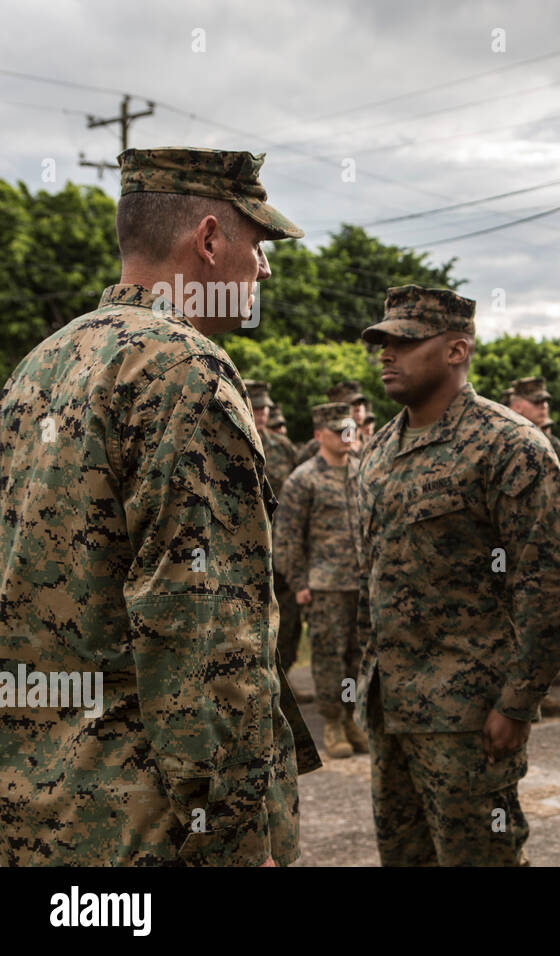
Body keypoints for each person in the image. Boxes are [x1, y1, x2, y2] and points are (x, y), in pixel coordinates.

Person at [0, 146, 318, 865]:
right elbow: (204, 633)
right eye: (259, 242)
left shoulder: (40, 364)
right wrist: (236, 833)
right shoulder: (184, 371)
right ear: (209, 240)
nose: (265, 269)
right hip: (146, 828)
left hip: (35, 816)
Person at [355, 285, 560, 865]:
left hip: (468, 716)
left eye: (404, 343)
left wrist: (517, 702)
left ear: (457, 350)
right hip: (393, 707)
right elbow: (375, 579)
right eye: (381, 343)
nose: (386, 355)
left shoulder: (510, 447)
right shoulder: (380, 450)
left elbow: (553, 589)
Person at [275, 402, 367, 760]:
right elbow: (286, 539)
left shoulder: (362, 473)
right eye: (336, 431)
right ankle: (331, 722)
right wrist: (299, 583)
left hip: (359, 584)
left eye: (349, 429)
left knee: (354, 659)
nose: (346, 436)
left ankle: (348, 715)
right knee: (328, 658)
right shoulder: (303, 479)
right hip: (324, 586)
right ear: (318, 436)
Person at [249, 381, 306, 684]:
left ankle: (283, 683)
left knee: (287, 618)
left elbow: (296, 495)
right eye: (256, 407)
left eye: (265, 408)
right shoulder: (228, 436)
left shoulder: (283, 447)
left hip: (282, 546)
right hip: (244, 550)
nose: (261, 413)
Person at [509, 376, 560, 469]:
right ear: (517, 407)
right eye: (537, 402)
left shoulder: (552, 443)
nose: (544, 406)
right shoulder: (505, 439)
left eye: (545, 401)